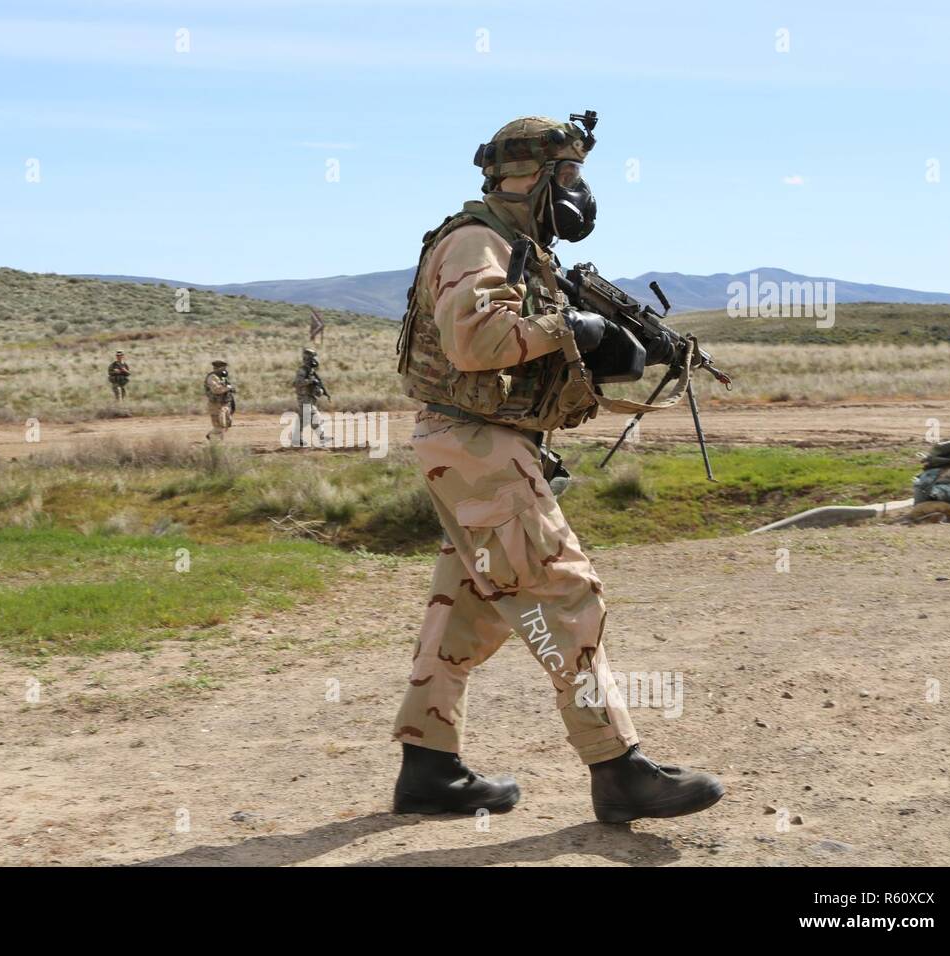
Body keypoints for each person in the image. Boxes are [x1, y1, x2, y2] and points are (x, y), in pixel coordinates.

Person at [391, 114, 724, 822]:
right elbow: (476, 341)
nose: (580, 192)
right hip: (477, 444)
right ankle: (618, 767)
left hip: (481, 443)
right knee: (562, 592)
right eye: (568, 176)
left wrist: (615, 341)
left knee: (467, 614)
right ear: (528, 176)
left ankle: (428, 766)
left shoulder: (518, 248)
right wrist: (573, 328)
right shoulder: (477, 241)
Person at [291, 347, 330, 447]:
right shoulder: (302, 371)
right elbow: (298, 383)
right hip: (304, 398)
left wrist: (321, 391)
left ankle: (296, 440)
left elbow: (317, 384)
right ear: (308, 358)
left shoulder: (311, 371)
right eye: (313, 357)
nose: (315, 359)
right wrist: (310, 381)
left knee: (305, 419)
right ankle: (322, 438)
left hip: (309, 398)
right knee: (313, 417)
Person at [204, 360, 235, 441]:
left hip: (224, 404)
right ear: (218, 368)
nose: (225, 369)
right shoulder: (212, 377)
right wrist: (228, 387)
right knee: (219, 427)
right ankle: (213, 439)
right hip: (216, 405)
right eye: (223, 368)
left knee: (225, 425)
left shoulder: (222, 377)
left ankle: (217, 441)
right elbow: (216, 390)